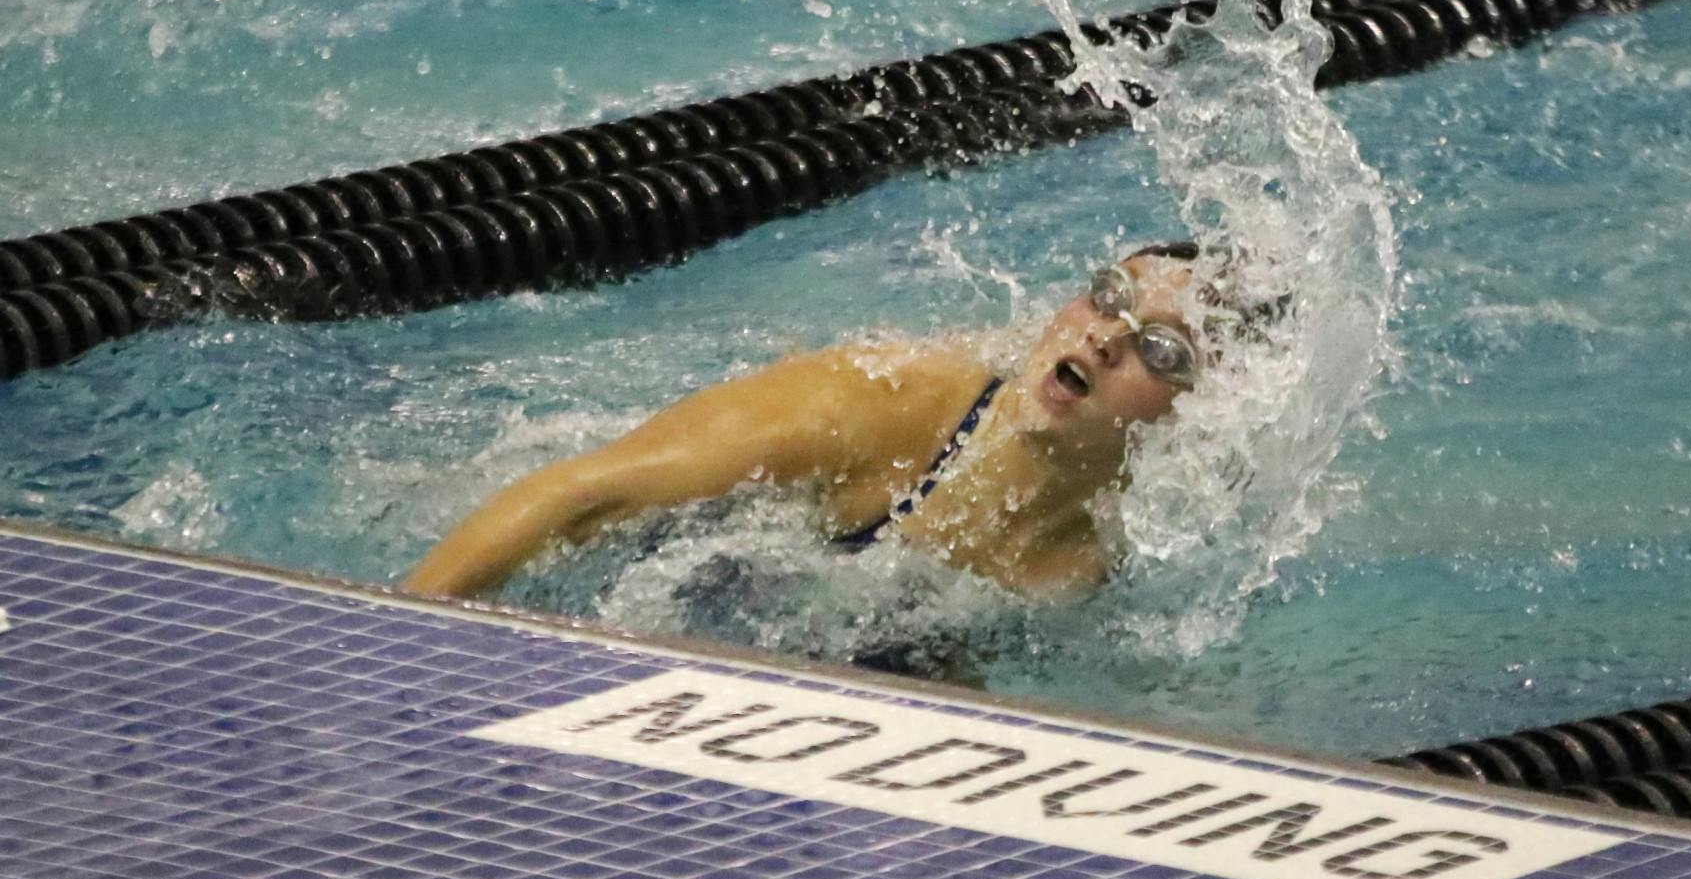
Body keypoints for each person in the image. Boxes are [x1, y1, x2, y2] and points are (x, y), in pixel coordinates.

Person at [404, 242, 1216, 601]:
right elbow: (577, 496)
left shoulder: (1119, 552)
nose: (1105, 337)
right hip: (631, 565)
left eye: (1159, 350)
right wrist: (385, 644)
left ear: (1204, 415)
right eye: (1109, 297)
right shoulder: (884, 403)